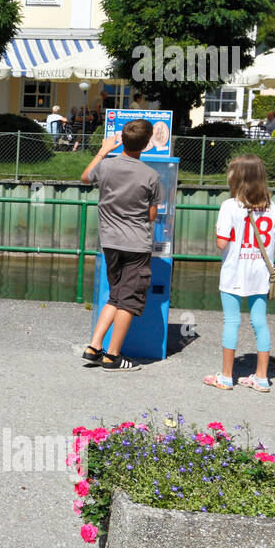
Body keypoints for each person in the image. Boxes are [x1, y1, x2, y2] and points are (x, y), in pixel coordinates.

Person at [79, 119, 162, 371]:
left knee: (115, 295)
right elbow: (151, 215)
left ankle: (94, 347)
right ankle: (113, 356)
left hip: (110, 242)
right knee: (129, 300)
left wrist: (104, 150)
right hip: (136, 244)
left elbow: (85, 177)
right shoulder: (151, 175)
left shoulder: (106, 166)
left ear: (121, 141)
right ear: (146, 144)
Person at [204, 154, 275, 391]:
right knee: (260, 322)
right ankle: (262, 377)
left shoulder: (229, 205)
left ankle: (226, 376)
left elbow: (221, 243)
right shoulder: (270, 206)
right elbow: (274, 241)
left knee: (232, 322)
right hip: (260, 272)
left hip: (235, 271)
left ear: (238, 177)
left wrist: (219, 232)